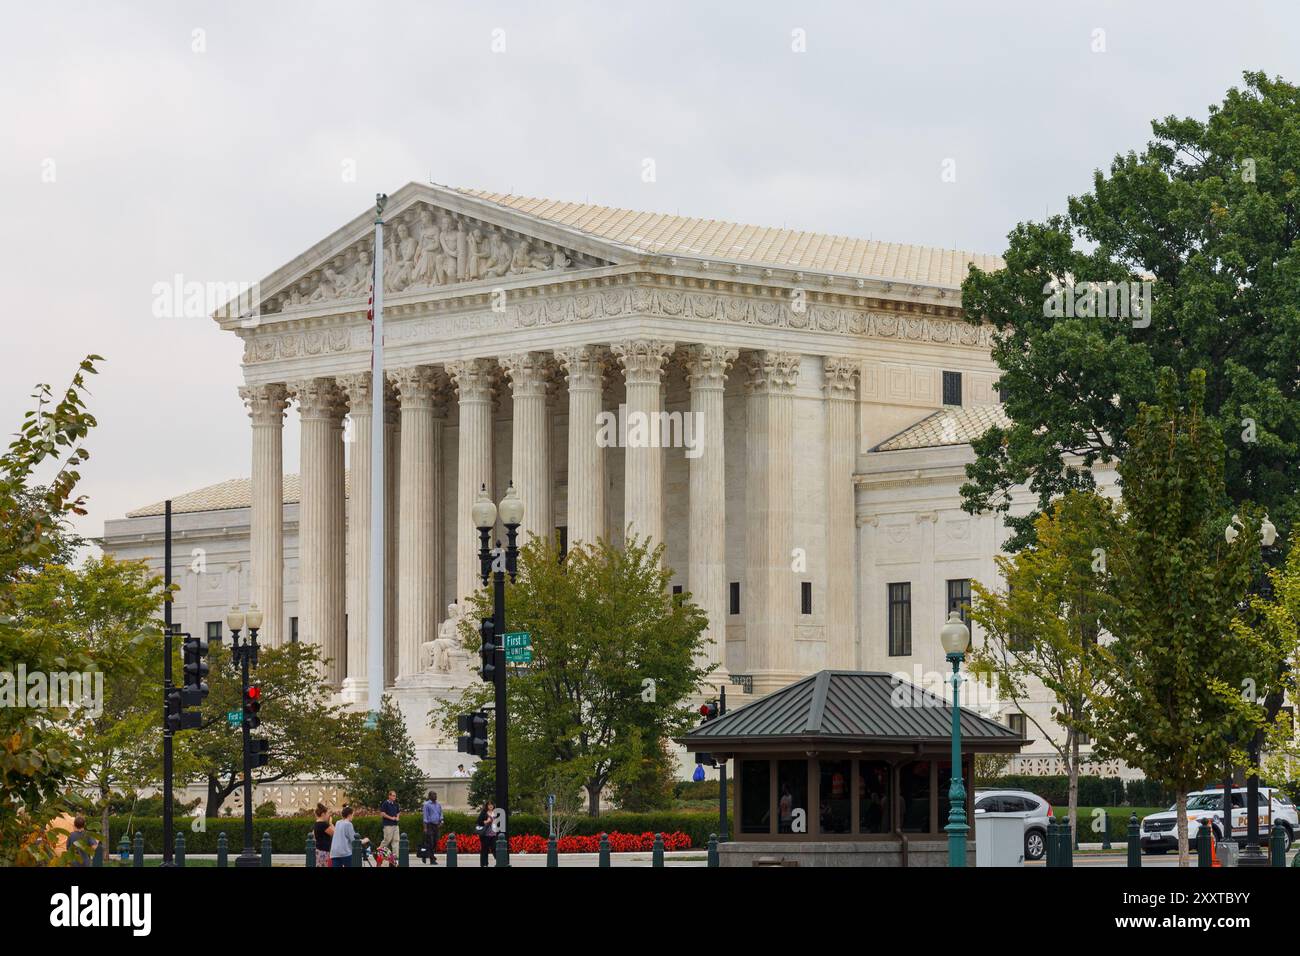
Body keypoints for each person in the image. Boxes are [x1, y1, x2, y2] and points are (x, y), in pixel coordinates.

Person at [421, 791, 443, 865]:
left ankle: (424, 854)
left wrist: (441, 822)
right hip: (429, 825)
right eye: (434, 795)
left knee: (436, 842)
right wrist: (425, 828)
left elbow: (441, 814)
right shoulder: (426, 805)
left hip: (437, 825)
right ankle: (432, 859)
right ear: (430, 796)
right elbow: (425, 817)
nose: (435, 796)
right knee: (431, 842)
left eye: (436, 794)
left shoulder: (438, 804)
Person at [378, 790, 400, 867]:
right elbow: (382, 813)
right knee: (387, 840)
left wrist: (397, 817)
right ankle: (379, 851)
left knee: (396, 841)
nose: (394, 797)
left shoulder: (396, 804)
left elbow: (398, 812)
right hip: (388, 825)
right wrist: (391, 818)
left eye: (395, 796)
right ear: (389, 796)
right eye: (393, 795)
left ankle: (395, 858)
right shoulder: (385, 803)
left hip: (395, 825)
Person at [475, 800, 498, 867]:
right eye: (489, 805)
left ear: (493, 805)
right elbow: (479, 822)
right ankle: (484, 864)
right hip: (485, 834)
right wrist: (486, 821)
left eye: (492, 804)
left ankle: (500, 862)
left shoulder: (495, 813)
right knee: (484, 850)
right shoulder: (484, 812)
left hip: (493, 834)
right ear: (487, 806)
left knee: (494, 848)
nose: (490, 806)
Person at [313, 803, 334, 868]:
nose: (328, 816)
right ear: (323, 814)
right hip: (324, 851)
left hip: (319, 850)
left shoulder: (316, 823)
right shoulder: (323, 824)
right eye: (327, 814)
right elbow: (334, 833)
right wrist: (331, 823)